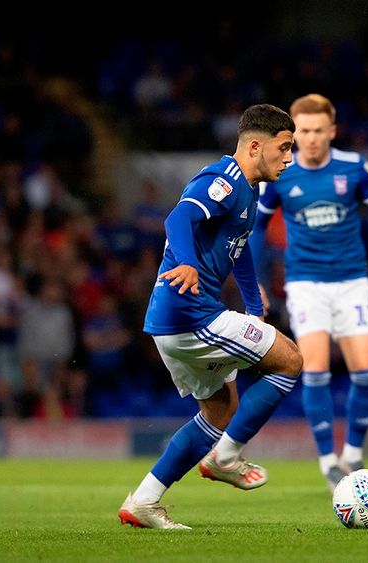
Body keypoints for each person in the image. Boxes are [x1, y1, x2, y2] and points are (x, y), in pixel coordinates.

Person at [118, 104, 304, 530]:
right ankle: (224, 457)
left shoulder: (250, 192)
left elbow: (238, 247)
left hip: (172, 323)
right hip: (192, 315)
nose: (289, 158)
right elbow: (178, 217)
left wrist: (254, 309)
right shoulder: (224, 180)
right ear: (255, 145)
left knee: (220, 409)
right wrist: (184, 261)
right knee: (290, 360)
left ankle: (143, 502)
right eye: (285, 147)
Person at [252, 94, 368, 491]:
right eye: (302, 131)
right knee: (316, 370)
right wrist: (255, 280)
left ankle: (353, 453)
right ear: (293, 132)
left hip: (352, 282)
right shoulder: (281, 173)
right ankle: (328, 459)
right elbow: (257, 228)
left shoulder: (354, 167)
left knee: (367, 372)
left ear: (332, 131)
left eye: (317, 131)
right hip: (305, 283)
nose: (309, 139)